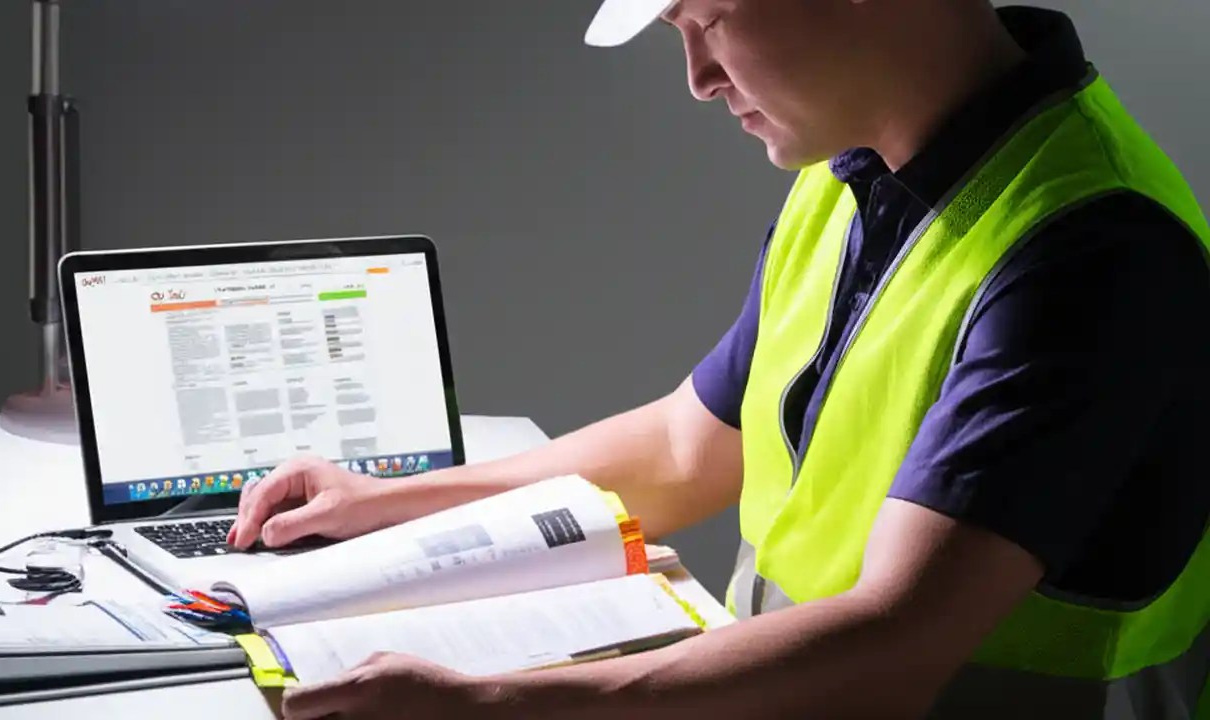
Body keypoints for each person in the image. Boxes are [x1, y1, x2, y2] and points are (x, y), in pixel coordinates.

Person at [228, 1, 1210, 717]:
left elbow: (895, 647)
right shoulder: (854, 175)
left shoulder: (1087, 248)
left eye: (707, 21)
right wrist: (386, 499)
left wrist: (489, 704)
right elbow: (685, 447)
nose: (698, 76)